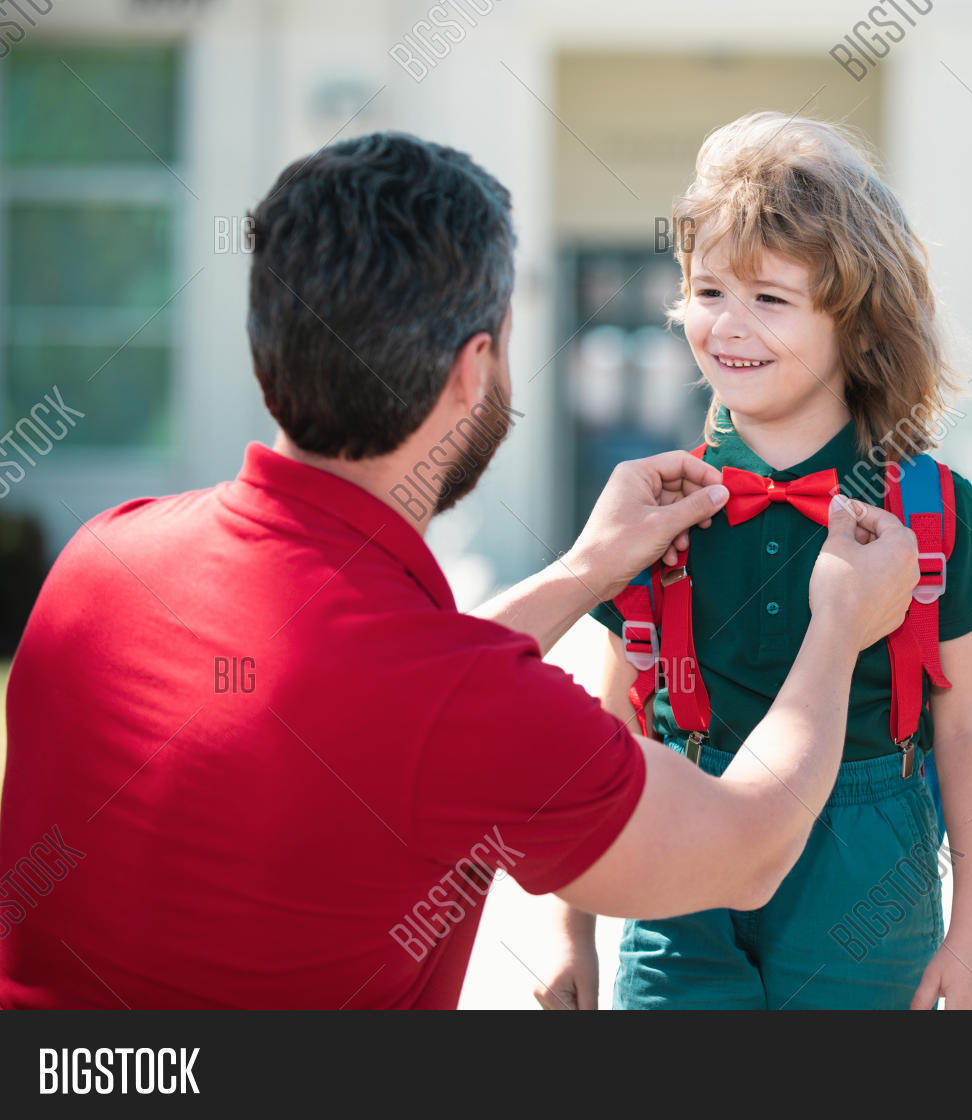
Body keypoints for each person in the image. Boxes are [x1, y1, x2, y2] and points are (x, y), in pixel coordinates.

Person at [0, 131, 919, 1009]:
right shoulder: (458, 706)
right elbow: (748, 849)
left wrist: (585, 569)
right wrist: (840, 624)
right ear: (473, 368)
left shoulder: (102, 558)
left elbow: (372, 700)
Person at [539, 113, 972, 1011]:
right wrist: (572, 930)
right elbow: (614, 723)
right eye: (709, 290)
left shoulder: (933, 508)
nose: (729, 325)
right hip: (679, 852)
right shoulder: (655, 506)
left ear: (858, 327)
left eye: (770, 298)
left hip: (866, 874)